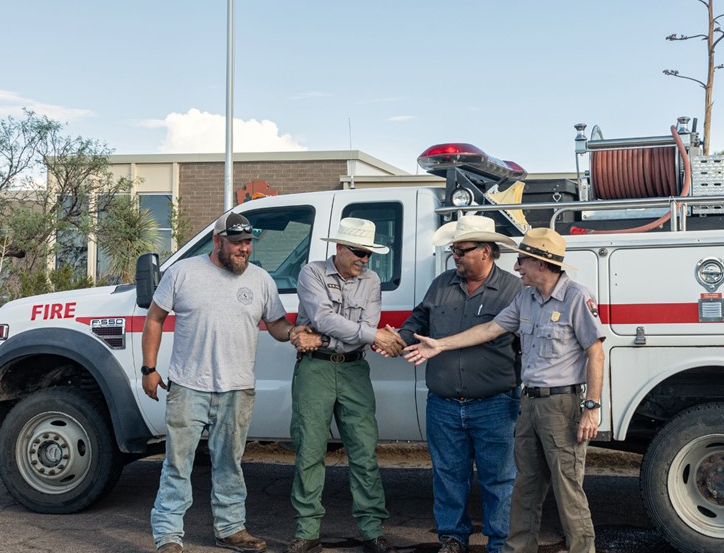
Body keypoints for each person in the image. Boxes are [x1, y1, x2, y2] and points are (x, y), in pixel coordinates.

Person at [405, 227, 606, 553]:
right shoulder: (525, 298)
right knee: (524, 487)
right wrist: (439, 345)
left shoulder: (576, 298)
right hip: (529, 404)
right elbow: (489, 328)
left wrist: (592, 407)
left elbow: (595, 352)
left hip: (562, 405)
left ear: (541, 263)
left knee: (567, 489)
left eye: (522, 261)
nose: (516, 267)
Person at [142, 211, 314, 553]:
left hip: (237, 387)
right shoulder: (183, 273)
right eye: (237, 243)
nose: (244, 249)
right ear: (218, 241)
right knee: (178, 463)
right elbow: (154, 319)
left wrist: (293, 332)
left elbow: (276, 324)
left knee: (230, 463)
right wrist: (149, 369)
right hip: (189, 385)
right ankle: (168, 535)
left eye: (248, 242)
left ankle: (231, 528)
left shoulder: (261, 280)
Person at [398, 215, 523, 553]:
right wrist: (398, 339)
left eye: (461, 251)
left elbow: (530, 345)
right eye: (453, 250)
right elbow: (418, 319)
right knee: (448, 476)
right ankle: (452, 539)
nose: (455, 256)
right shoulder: (441, 284)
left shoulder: (514, 289)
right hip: (443, 404)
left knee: (499, 479)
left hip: (495, 403)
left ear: (486, 251)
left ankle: (501, 543)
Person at [287, 218, 406, 553]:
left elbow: (355, 326)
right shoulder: (312, 273)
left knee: (364, 451)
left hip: (354, 370)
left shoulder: (371, 281)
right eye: (358, 252)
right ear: (338, 248)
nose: (364, 259)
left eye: (368, 253)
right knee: (309, 450)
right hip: (316, 370)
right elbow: (326, 318)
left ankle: (372, 529)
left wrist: (325, 334)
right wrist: (364, 334)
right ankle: (306, 531)